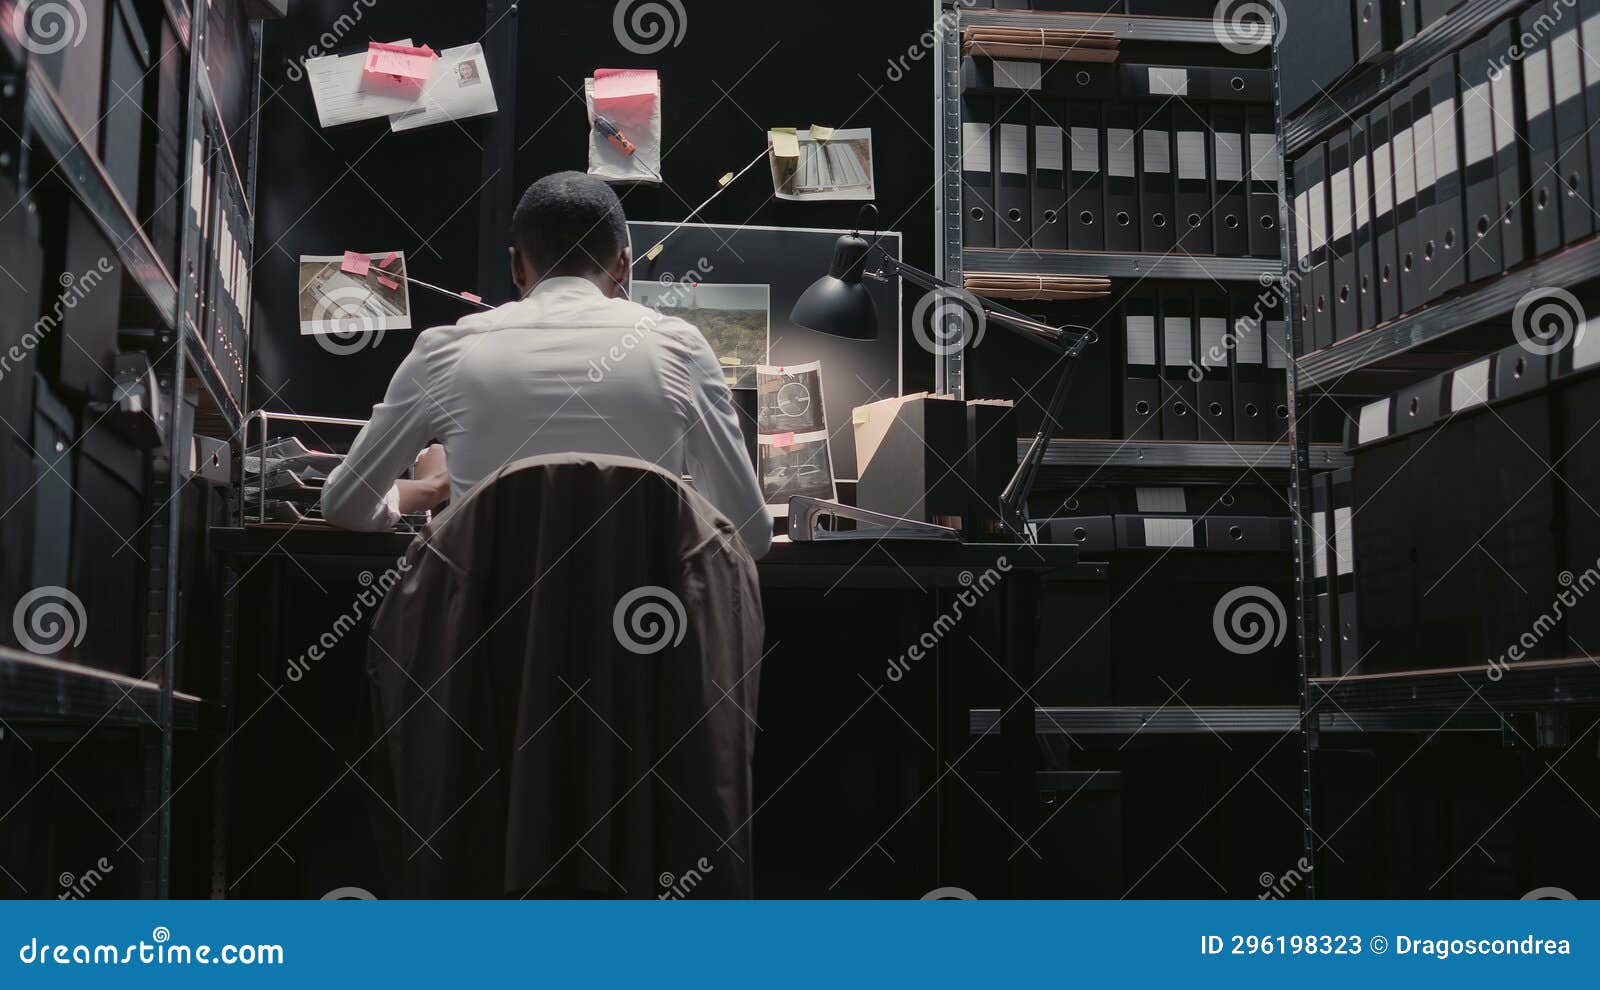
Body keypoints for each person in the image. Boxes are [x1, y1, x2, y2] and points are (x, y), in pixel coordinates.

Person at [321, 171, 771, 558]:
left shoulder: (443, 353)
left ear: (516, 267)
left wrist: (434, 488)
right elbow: (750, 535)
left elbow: (344, 504)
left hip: (485, 631)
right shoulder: (681, 350)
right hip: (639, 629)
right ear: (623, 266)